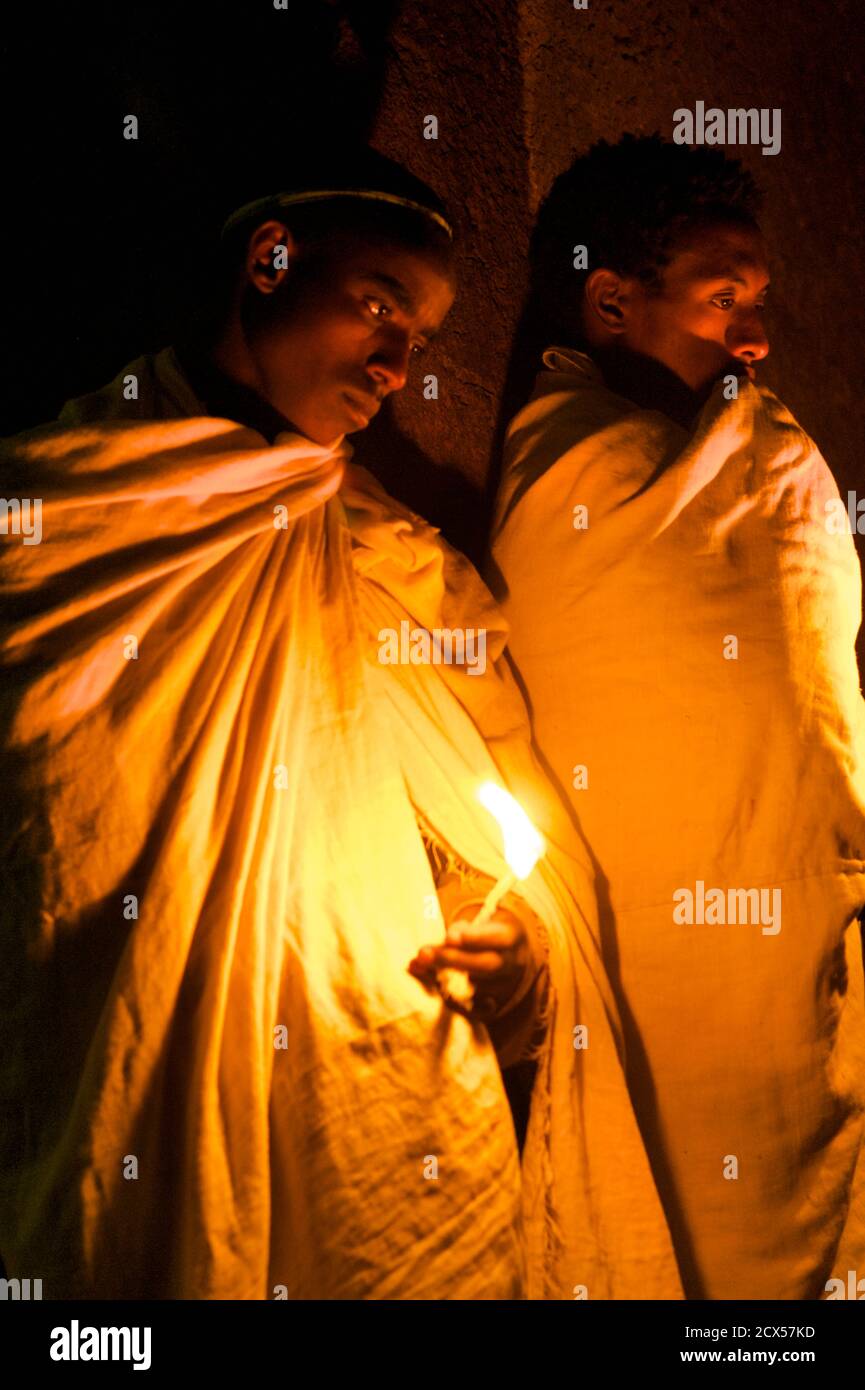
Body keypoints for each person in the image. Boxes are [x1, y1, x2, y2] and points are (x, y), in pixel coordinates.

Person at [0, 147, 679, 1299]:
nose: (397, 365)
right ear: (267, 262)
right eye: (380, 306)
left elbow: (501, 838)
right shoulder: (61, 520)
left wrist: (510, 949)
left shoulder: (395, 566)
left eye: (421, 341)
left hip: (369, 1097)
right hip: (107, 1097)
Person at [490, 133, 865, 1299]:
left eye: (759, 302)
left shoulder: (758, 453)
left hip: (812, 942)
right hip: (662, 971)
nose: (754, 338)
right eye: (721, 300)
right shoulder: (569, 472)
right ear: (611, 301)